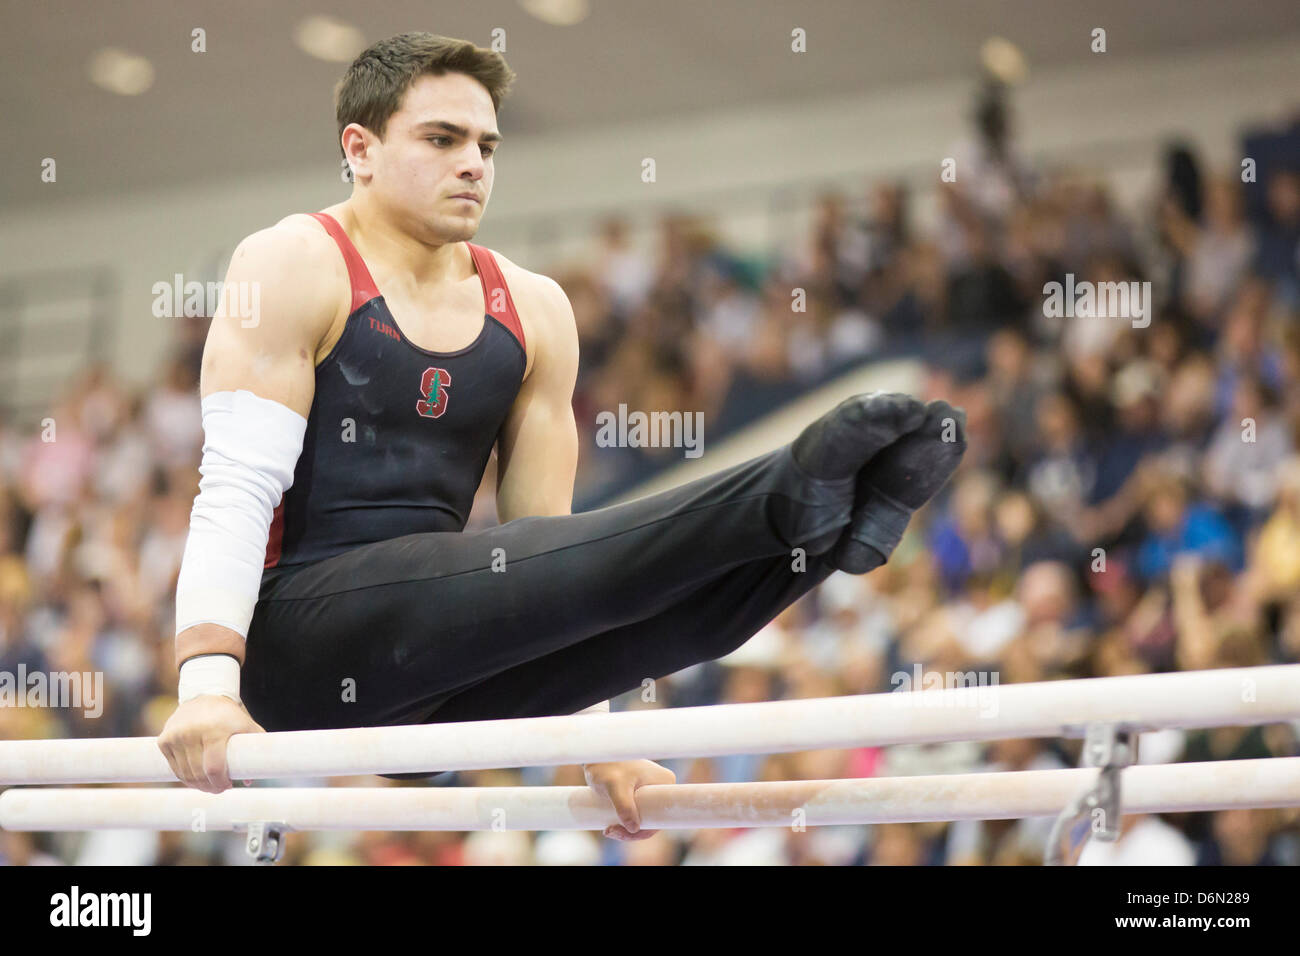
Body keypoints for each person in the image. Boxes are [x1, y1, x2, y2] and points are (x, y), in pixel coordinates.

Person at [158, 32, 967, 842]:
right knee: (589, 567)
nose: (472, 163)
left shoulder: (535, 309)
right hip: (300, 651)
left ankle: (825, 534)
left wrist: (602, 743)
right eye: (441, 139)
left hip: (438, 690)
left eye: (485, 144)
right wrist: (206, 688)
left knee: (666, 619)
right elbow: (235, 486)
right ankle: (785, 493)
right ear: (359, 149)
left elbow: (558, 574)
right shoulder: (294, 261)